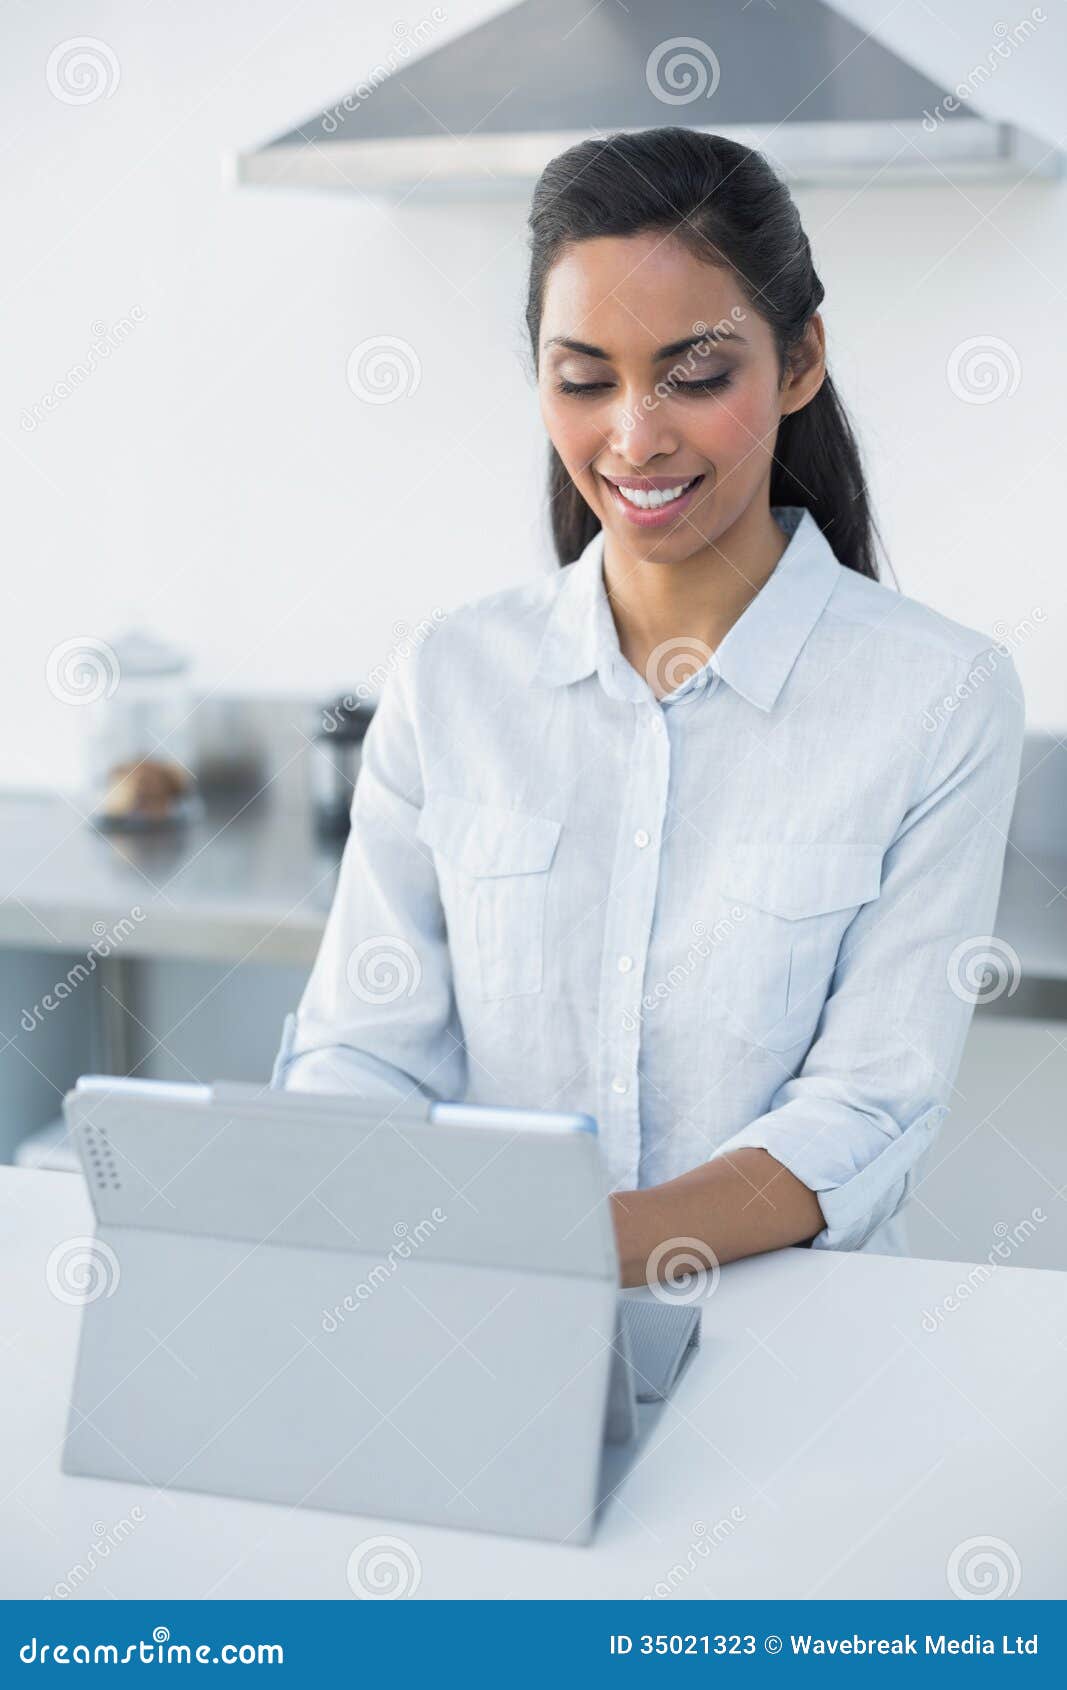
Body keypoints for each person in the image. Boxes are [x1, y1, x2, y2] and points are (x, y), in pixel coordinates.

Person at [273, 128, 1024, 1284]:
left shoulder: (938, 696)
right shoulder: (449, 674)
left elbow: (864, 1106)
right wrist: (317, 1210)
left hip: (785, 1340)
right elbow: (365, 1053)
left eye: (696, 375)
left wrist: (577, 1248)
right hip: (483, 1320)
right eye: (584, 381)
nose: (633, 436)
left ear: (799, 360)